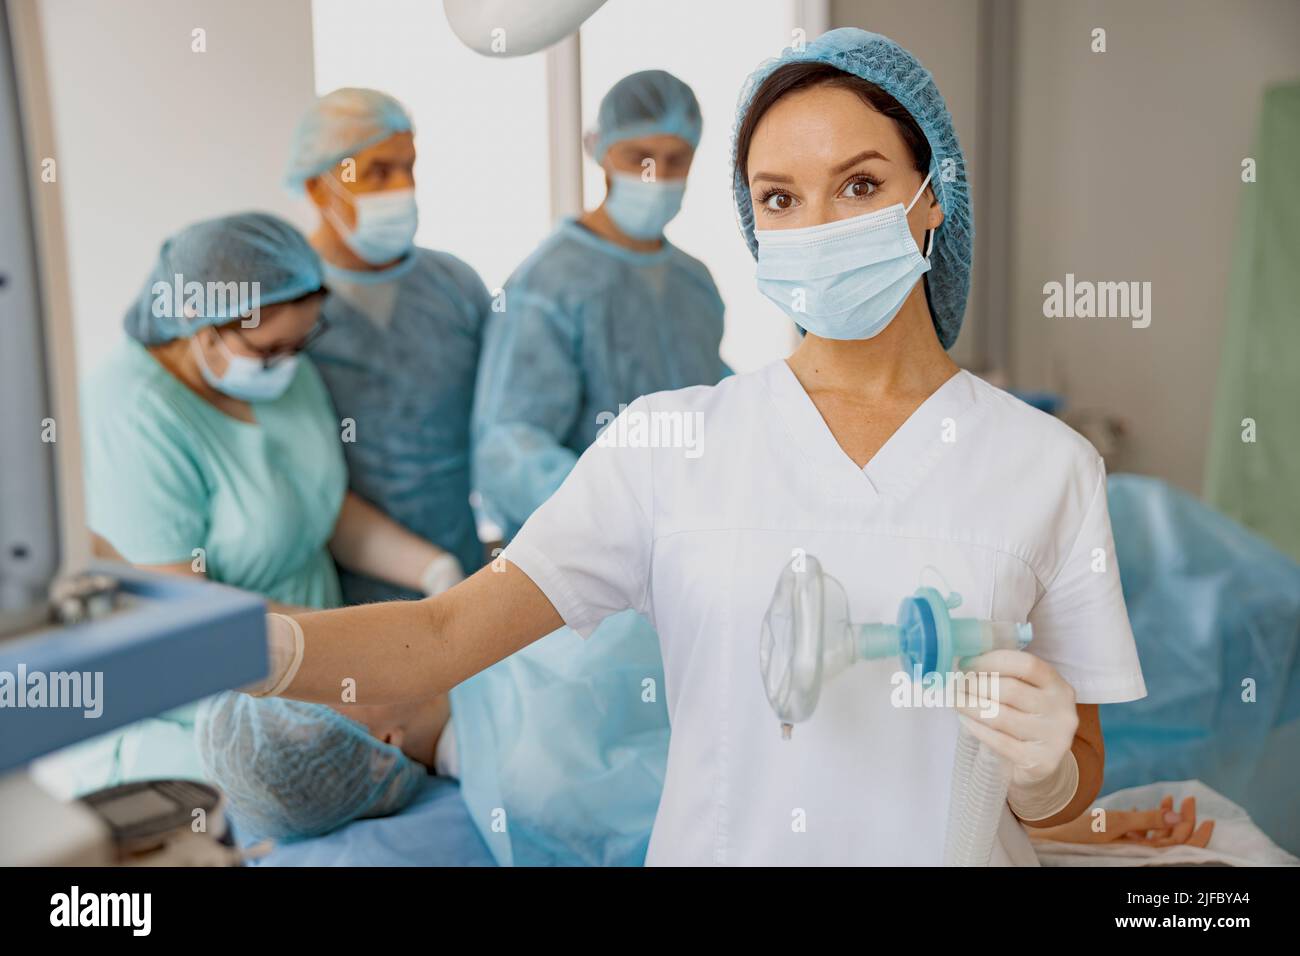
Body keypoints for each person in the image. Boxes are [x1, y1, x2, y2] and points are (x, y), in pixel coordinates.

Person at [245, 30, 1147, 866]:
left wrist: (1047, 778)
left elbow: (1073, 781)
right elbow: (442, 634)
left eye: (861, 185)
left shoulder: (1048, 466)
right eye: (780, 198)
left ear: (932, 197)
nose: (820, 226)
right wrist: (237, 648)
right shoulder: (668, 443)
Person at [38, 213, 458, 803]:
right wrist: (381, 644)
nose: (289, 363)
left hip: (321, 674)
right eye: (270, 349)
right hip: (210, 715)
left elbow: (319, 505)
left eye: (300, 344)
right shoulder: (131, 416)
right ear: (204, 330)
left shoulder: (283, 373)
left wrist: (434, 571)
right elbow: (185, 612)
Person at [454, 69, 729, 865]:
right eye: (639, 154)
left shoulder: (695, 284)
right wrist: (628, 517)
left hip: (687, 570)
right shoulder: (548, 283)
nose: (657, 176)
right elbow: (508, 450)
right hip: (586, 587)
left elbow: (713, 405)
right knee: (585, 785)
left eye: (676, 159)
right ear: (597, 150)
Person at [286, 88, 490, 603]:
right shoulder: (281, 309)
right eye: (377, 172)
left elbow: (501, 424)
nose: (401, 187)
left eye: (409, 168)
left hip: (464, 569)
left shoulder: (456, 287)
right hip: (342, 590)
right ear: (318, 187)